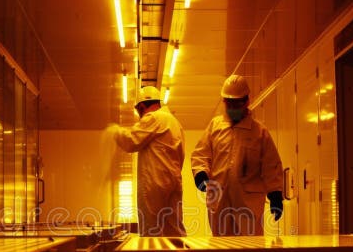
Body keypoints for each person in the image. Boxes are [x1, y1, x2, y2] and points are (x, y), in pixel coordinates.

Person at [191, 75, 284, 236]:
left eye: (236, 103)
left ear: (246, 101)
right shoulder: (215, 126)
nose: (232, 107)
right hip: (219, 201)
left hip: (248, 203)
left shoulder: (259, 132)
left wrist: (275, 193)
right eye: (229, 103)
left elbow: (271, 166)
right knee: (220, 248)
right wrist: (200, 173)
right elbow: (201, 154)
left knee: (249, 249)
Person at [108, 86, 187, 236]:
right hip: (174, 180)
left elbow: (131, 140)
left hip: (154, 182)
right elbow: (181, 155)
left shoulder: (154, 117)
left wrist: (114, 131)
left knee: (151, 229)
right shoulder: (175, 123)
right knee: (174, 228)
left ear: (142, 107)